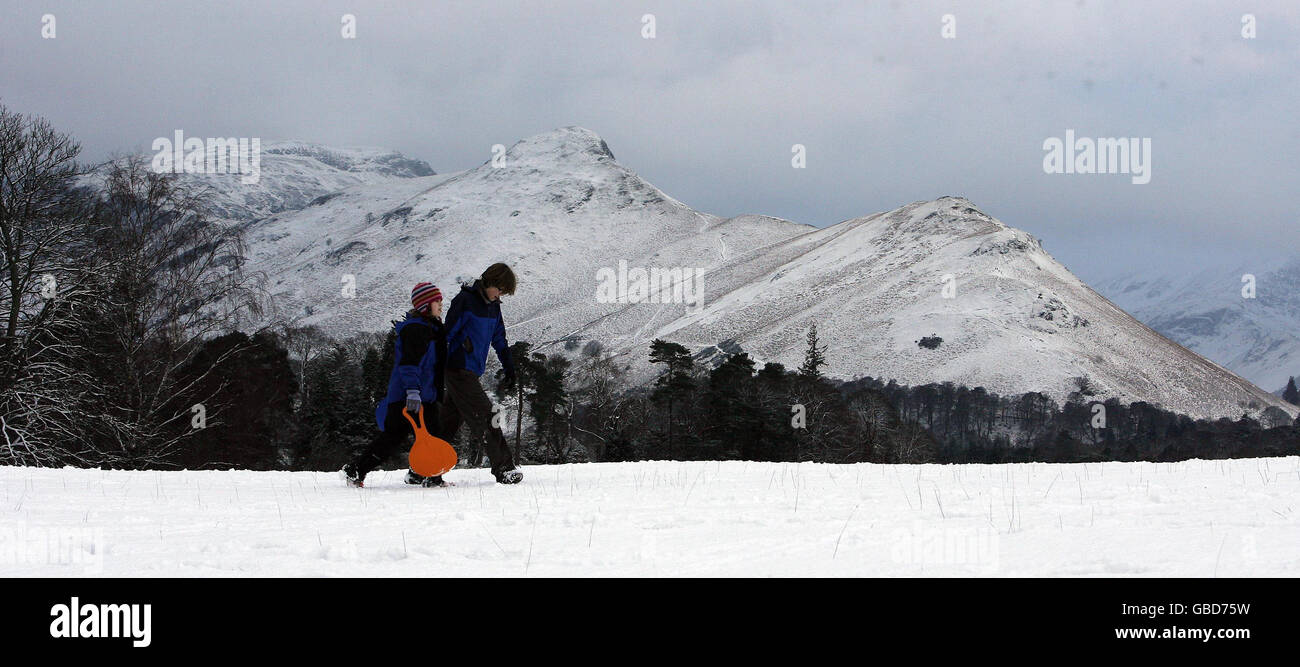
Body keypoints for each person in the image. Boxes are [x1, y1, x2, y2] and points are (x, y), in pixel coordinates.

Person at [342, 282, 450, 488]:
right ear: (425, 305)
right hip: (410, 396)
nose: (440, 305)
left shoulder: (431, 328)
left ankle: (359, 469)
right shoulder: (417, 330)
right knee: (412, 437)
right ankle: (431, 477)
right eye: (437, 301)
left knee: (404, 436)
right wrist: (412, 391)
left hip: (422, 394)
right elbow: (409, 364)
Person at [440, 263, 524, 484]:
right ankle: (504, 467)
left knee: (447, 423)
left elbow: (499, 339)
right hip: (458, 368)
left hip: (471, 371)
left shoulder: (493, 307)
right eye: (500, 290)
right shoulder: (465, 301)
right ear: (491, 282)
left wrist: (509, 368)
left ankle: (423, 468)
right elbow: (446, 334)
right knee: (487, 416)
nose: (500, 296)